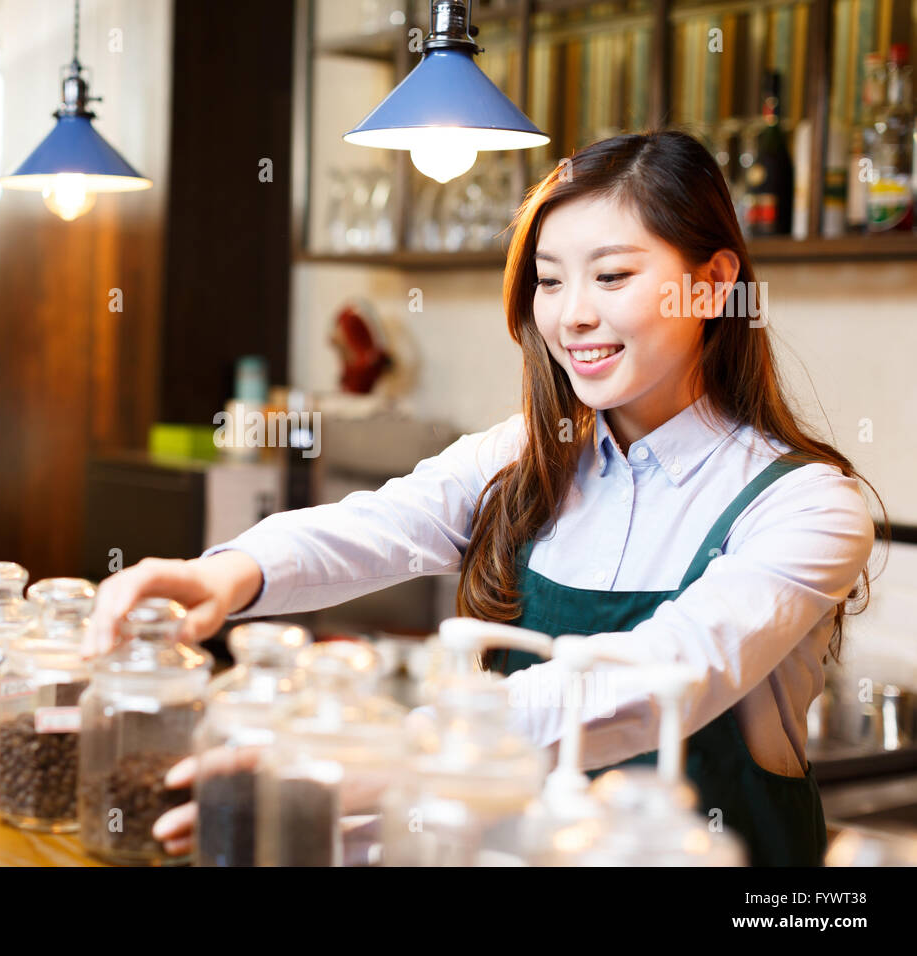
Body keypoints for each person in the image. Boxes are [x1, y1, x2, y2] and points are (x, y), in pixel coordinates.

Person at [87, 130, 886, 866]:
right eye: (548, 281)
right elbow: (382, 524)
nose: (573, 315)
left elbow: (656, 678)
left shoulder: (807, 507)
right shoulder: (527, 455)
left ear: (712, 286)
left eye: (612, 275)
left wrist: (374, 760)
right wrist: (229, 576)